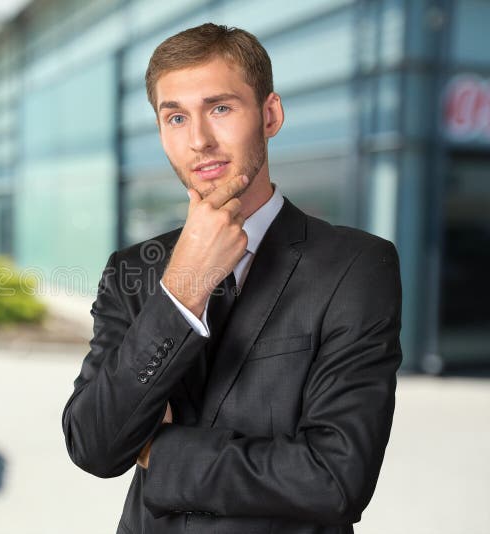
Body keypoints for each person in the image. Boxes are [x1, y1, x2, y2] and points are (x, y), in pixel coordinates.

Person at [61, 23, 402, 534]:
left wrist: (161, 449)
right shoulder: (133, 270)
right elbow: (93, 444)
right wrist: (182, 290)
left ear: (269, 115)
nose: (199, 140)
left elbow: (335, 478)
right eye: (175, 117)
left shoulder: (356, 266)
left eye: (220, 108)